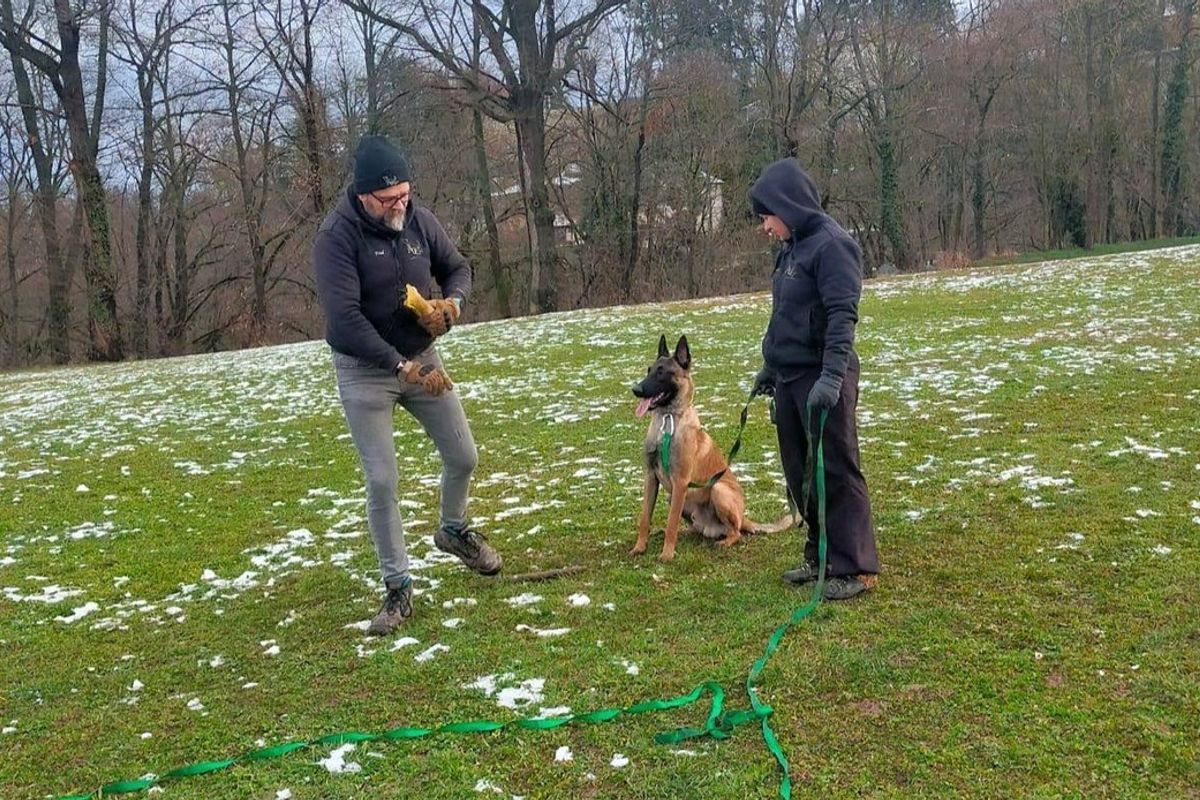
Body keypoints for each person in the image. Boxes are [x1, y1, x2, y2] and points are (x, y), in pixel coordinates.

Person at [313, 135, 502, 635]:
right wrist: (398, 367)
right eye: (389, 199)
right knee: (382, 481)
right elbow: (346, 318)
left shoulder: (419, 220)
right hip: (365, 371)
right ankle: (398, 587)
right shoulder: (336, 237)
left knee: (464, 457)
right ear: (362, 197)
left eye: (405, 194)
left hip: (423, 360)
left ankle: (453, 530)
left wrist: (452, 305)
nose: (401, 205)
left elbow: (458, 267)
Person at [748, 158, 879, 601]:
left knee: (835, 469)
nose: (765, 226)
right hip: (790, 376)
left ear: (787, 205)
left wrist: (830, 378)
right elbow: (785, 313)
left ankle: (852, 566)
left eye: (767, 215)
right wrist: (771, 364)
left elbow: (843, 317)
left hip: (823, 376)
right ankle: (819, 555)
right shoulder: (793, 247)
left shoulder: (832, 246)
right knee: (801, 472)